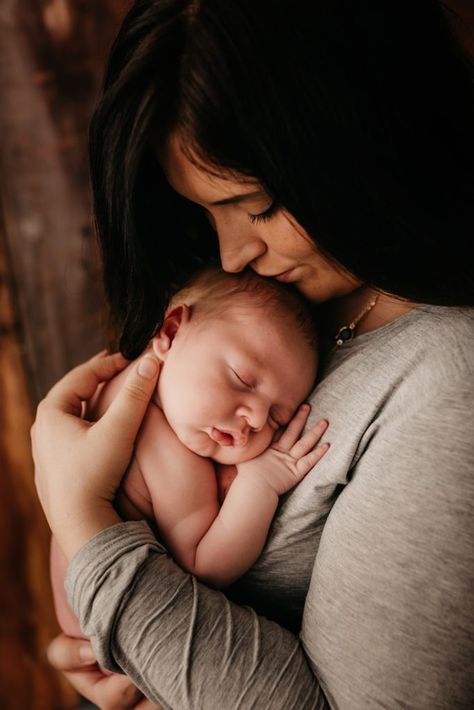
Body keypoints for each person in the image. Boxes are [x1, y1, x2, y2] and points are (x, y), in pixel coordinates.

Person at [33, 1, 474, 708]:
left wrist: (84, 520)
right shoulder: (257, 308)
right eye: (208, 213)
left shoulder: (450, 382)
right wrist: (112, 643)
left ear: (359, 136)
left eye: (258, 205)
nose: (234, 253)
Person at [50, 265, 329, 642]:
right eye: (243, 379)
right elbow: (205, 564)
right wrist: (259, 484)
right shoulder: (161, 443)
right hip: (119, 627)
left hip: (95, 615)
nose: (257, 418)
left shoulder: (122, 386)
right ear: (171, 332)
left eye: (278, 418)